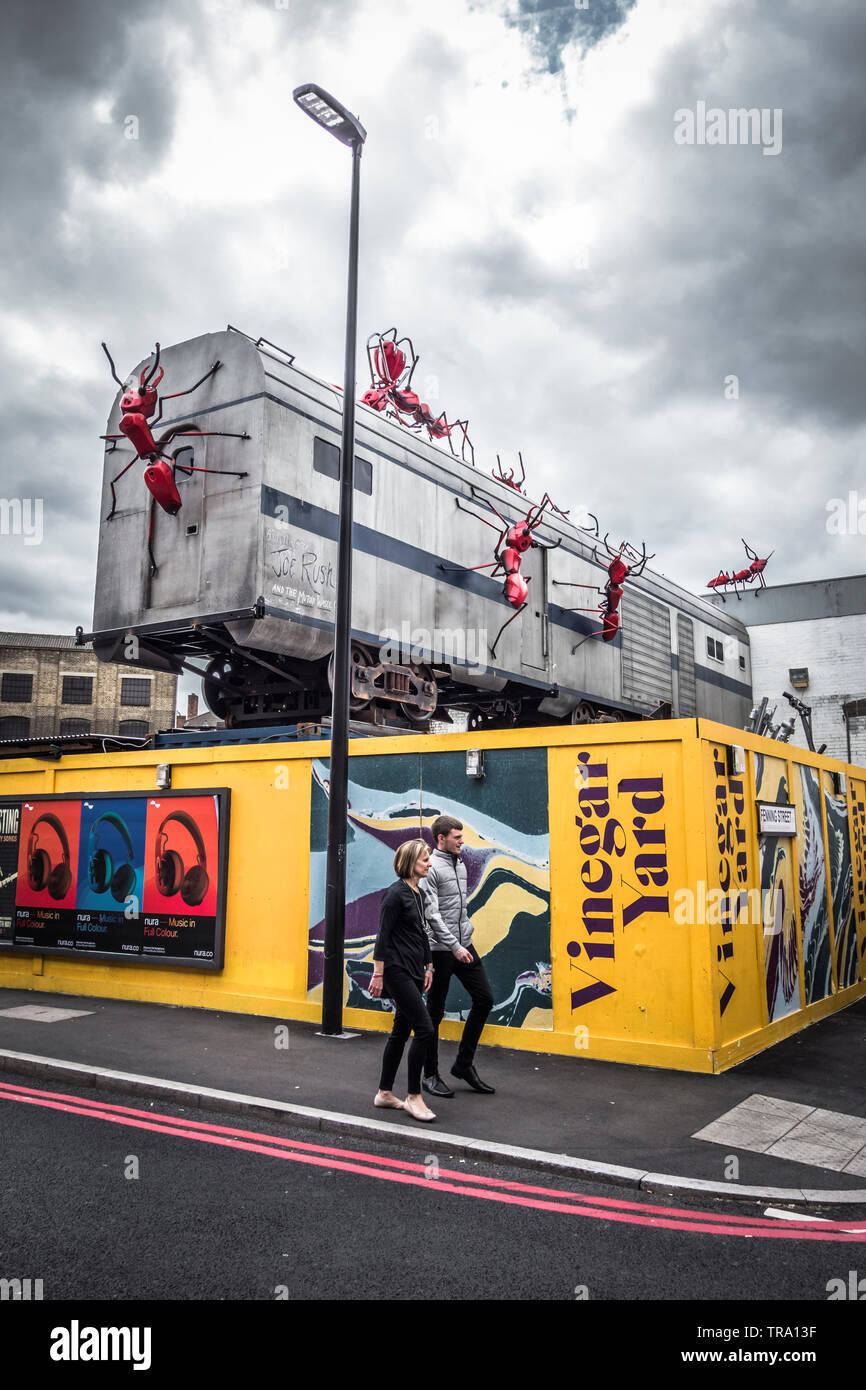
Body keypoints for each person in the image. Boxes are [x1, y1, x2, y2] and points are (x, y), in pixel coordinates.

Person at [418, 814, 495, 1097]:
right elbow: (433, 916)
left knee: (485, 999)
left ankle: (463, 1064)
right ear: (441, 838)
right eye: (457, 837)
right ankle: (430, 1075)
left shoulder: (459, 864)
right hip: (441, 949)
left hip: (464, 943)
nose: (463, 841)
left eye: (462, 837)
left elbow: (458, 909)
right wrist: (454, 946)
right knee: (435, 1012)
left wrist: (464, 939)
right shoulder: (431, 868)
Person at [370, 838, 437, 1123]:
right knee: (425, 1030)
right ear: (410, 863)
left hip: (414, 969)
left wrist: (429, 964)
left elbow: (421, 933)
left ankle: (384, 1093)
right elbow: (382, 936)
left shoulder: (418, 895)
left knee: (400, 1032)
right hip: (396, 970)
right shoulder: (394, 894)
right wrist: (378, 973)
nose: (429, 864)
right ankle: (413, 1096)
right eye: (424, 860)